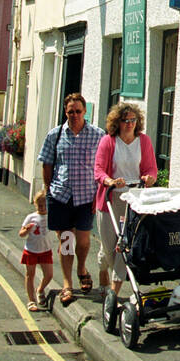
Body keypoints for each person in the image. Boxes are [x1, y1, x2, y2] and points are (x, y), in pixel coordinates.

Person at [38, 93, 105, 303]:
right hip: (61, 196)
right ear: (65, 112)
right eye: (70, 112)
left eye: (78, 111)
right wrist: (49, 190)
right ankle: (67, 284)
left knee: (83, 241)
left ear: (85, 111)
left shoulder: (98, 135)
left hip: (87, 196)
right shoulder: (55, 135)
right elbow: (47, 164)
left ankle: (82, 267)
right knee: (66, 240)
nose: (74, 115)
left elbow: (102, 165)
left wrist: (99, 194)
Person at [94, 102, 157, 297]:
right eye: (125, 120)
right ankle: (103, 266)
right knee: (108, 245)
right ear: (117, 122)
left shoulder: (143, 141)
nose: (129, 124)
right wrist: (109, 180)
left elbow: (150, 168)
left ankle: (114, 290)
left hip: (133, 199)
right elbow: (98, 169)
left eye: (133, 120)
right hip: (110, 200)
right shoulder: (108, 141)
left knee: (123, 244)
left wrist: (150, 178)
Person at [19, 190, 55, 312]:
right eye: (40, 205)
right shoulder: (31, 217)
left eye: (45, 205)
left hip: (45, 250)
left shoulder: (51, 216)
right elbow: (21, 234)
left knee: (49, 275)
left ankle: (40, 289)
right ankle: (31, 301)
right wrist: (27, 230)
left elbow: (58, 231)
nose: (43, 208)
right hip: (31, 250)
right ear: (35, 204)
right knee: (30, 275)